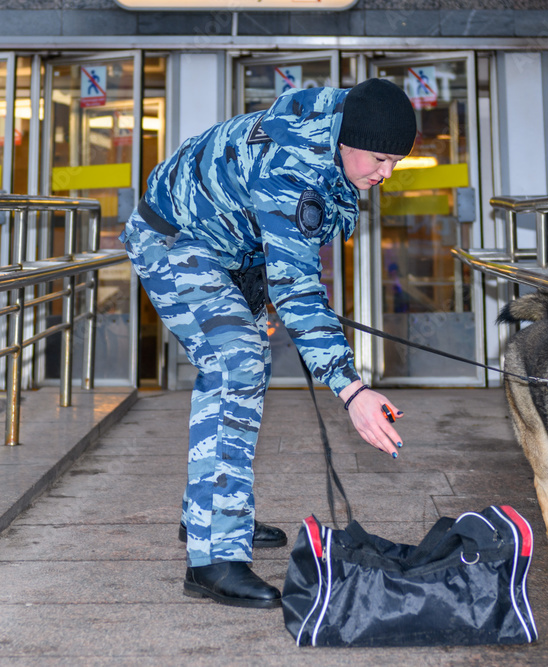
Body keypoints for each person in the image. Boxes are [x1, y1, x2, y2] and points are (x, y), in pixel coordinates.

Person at [119, 78, 416, 609]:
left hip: (228, 251)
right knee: (237, 364)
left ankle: (210, 513)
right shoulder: (292, 163)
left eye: (395, 162)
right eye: (379, 158)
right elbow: (298, 287)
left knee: (245, 366)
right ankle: (213, 558)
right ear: (347, 140)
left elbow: (291, 245)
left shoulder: (338, 136)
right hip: (173, 238)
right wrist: (351, 390)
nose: (385, 173)